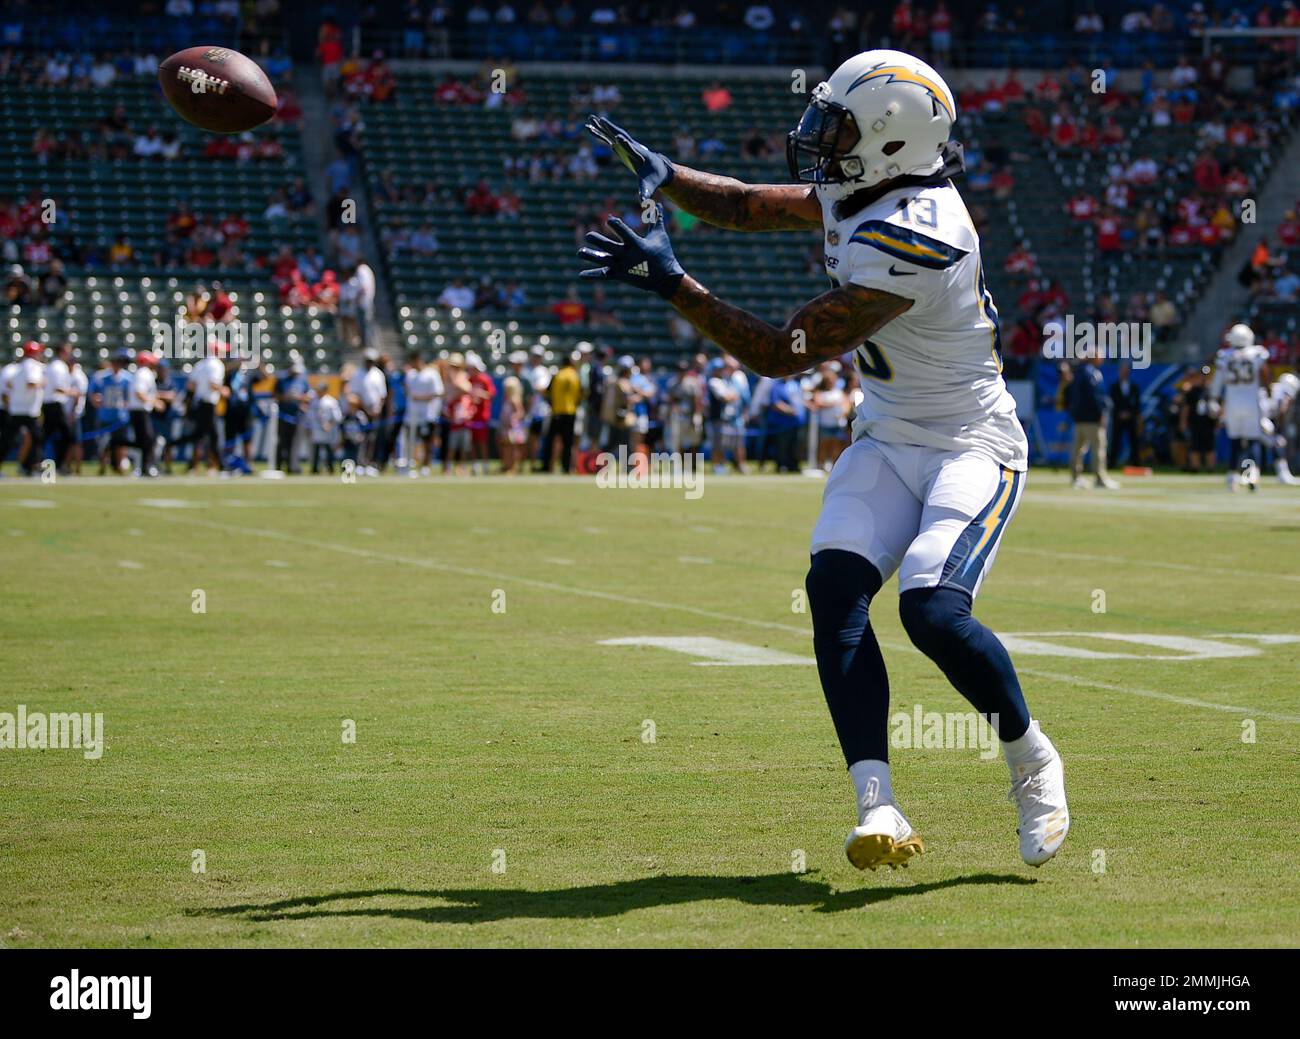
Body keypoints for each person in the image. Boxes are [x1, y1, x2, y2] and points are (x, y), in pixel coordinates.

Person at [579, 50, 1068, 871]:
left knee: (931, 612)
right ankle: (877, 805)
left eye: (836, 124)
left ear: (889, 141)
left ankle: (1031, 757)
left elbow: (780, 352)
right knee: (834, 590)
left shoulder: (922, 230)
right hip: (885, 435)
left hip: (969, 444)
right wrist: (667, 175)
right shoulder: (868, 185)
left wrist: (674, 285)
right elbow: (740, 205)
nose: (815, 135)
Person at [1211, 323, 1270, 492]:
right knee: (1252, 441)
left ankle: (1232, 477)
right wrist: (1268, 390)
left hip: (1232, 403)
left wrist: (1214, 398)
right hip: (1251, 401)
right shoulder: (1257, 353)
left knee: (1235, 442)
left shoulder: (1225, 355)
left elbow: (1217, 380)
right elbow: (1265, 374)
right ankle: (1251, 474)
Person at [1068, 355, 1118, 489]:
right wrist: (1102, 412)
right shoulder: (1091, 373)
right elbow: (1096, 395)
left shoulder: (1078, 372)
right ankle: (1100, 477)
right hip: (1091, 418)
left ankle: (1076, 477)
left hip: (1079, 417)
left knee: (1078, 449)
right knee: (1098, 448)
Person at [0, 341, 44, 476]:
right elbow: (31, 383)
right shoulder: (32, 366)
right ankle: (34, 467)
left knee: (8, 440)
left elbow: (8, 388)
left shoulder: (13, 369)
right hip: (28, 411)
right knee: (36, 439)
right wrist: (42, 383)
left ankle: (29, 467)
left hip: (15, 409)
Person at [544, 351, 582, 472]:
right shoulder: (576, 376)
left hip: (557, 412)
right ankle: (566, 467)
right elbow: (581, 395)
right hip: (570, 412)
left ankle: (548, 466)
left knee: (552, 441)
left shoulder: (557, 375)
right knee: (568, 442)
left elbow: (547, 393)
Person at [275, 360, 311, 473]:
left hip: (297, 416)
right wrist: (286, 397)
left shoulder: (303, 381)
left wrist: (300, 399)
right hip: (283, 416)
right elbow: (276, 395)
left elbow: (308, 397)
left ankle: (292, 466)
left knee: (295, 443)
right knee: (282, 442)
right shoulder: (282, 381)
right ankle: (279, 465)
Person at [128, 351, 160, 477]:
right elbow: (139, 393)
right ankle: (146, 467)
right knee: (147, 440)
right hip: (140, 411)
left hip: (140, 411)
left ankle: (144, 467)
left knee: (146, 440)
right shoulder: (144, 373)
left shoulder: (142, 373)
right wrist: (155, 403)